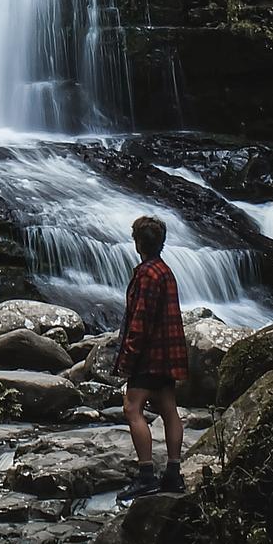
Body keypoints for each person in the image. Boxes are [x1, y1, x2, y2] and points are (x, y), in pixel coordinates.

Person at [113, 215, 188, 503]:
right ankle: (173, 473)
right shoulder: (166, 271)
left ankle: (146, 475)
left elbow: (141, 321)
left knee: (132, 408)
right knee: (169, 409)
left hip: (149, 356)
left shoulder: (146, 274)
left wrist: (128, 358)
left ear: (138, 243)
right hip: (169, 355)